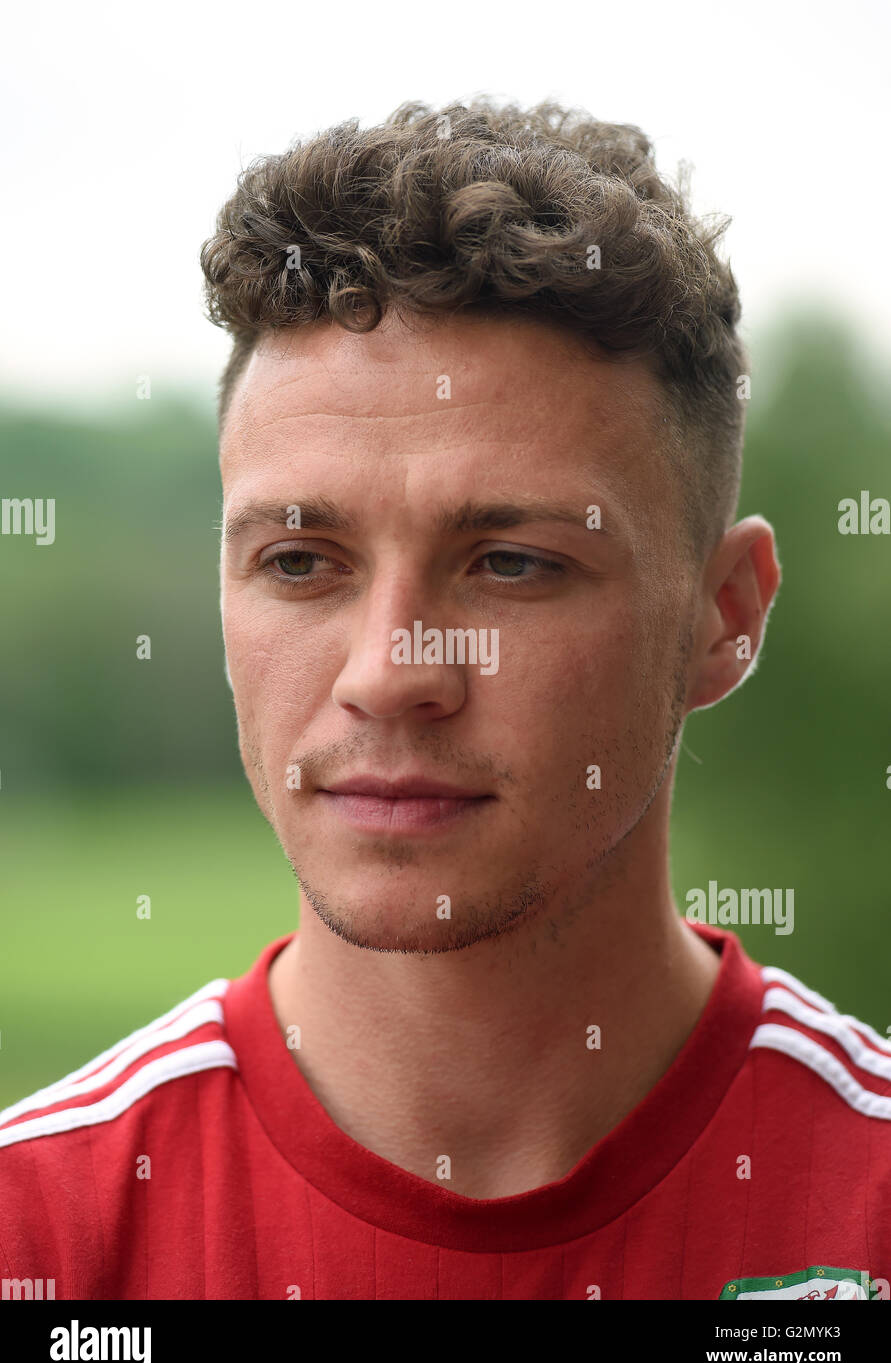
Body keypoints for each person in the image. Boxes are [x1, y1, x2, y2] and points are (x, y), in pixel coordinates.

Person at [1, 99, 887, 1302]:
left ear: (724, 617)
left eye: (512, 562)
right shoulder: (39, 1234)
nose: (387, 671)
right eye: (301, 562)